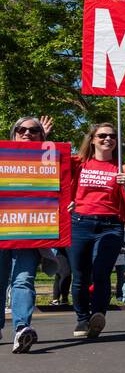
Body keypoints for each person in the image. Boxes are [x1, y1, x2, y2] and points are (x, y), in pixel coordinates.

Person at [70, 121, 125, 338]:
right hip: (80, 223)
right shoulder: (79, 163)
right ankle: (82, 319)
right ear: (92, 139)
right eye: (102, 135)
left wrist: (124, 183)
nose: (107, 139)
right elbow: (50, 168)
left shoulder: (123, 167)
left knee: (101, 272)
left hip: (110, 226)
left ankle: (97, 315)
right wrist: (43, 137)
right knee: (80, 275)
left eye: (112, 136)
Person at [1, 116, 56, 353]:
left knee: (23, 280)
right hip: (2, 230)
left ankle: (22, 329)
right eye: (21, 130)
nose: (27, 133)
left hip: (29, 233)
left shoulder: (51, 162)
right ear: (12, 134)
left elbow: (58, 184)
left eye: (34, 131)